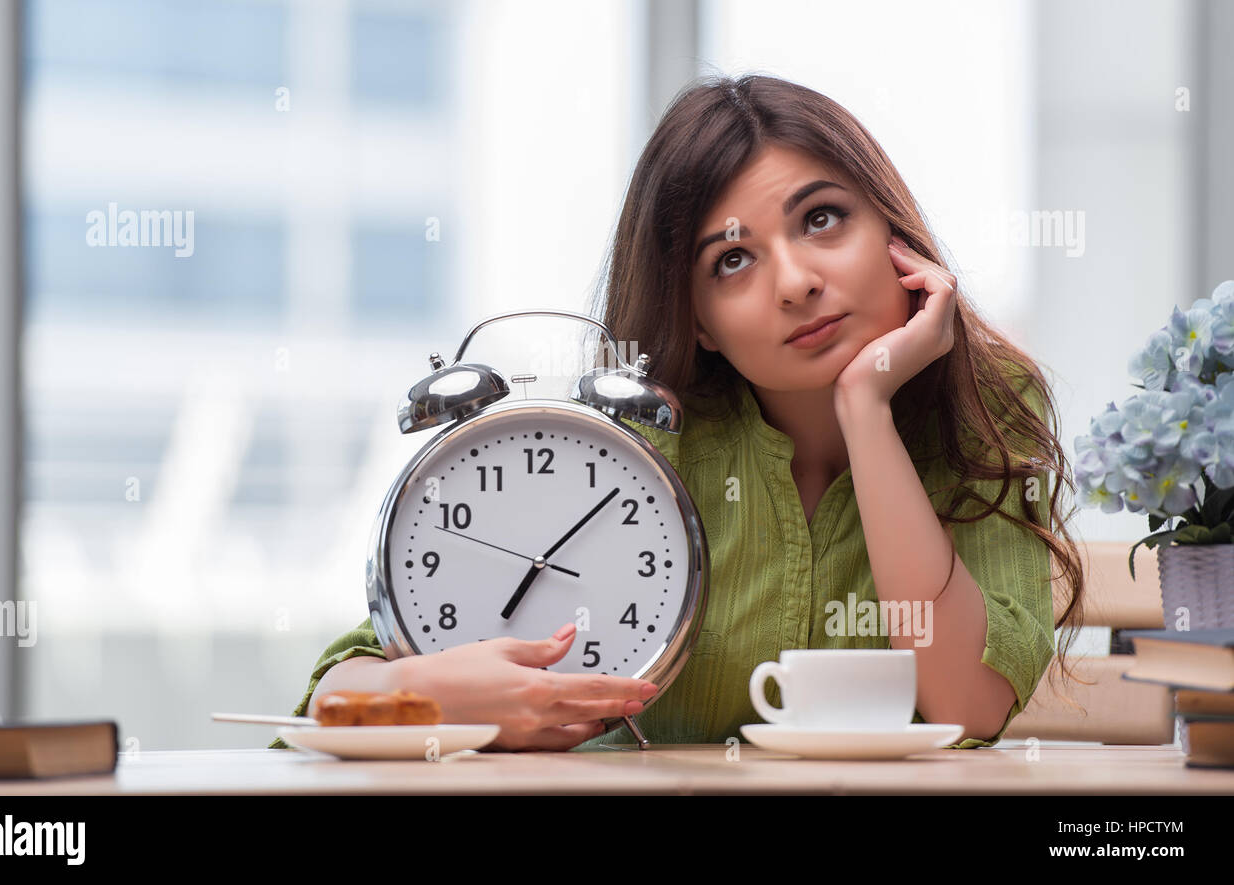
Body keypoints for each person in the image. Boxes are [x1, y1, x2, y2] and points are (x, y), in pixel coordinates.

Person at [270, 74, 1086, 753]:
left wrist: (866, 407)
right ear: (698, 321)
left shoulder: (987, 408)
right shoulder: (630, 447)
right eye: (732, 260)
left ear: (892, 230)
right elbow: (338, 693)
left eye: (822, 219)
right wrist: (441, 696)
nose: (796, 281)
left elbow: (967, 704)